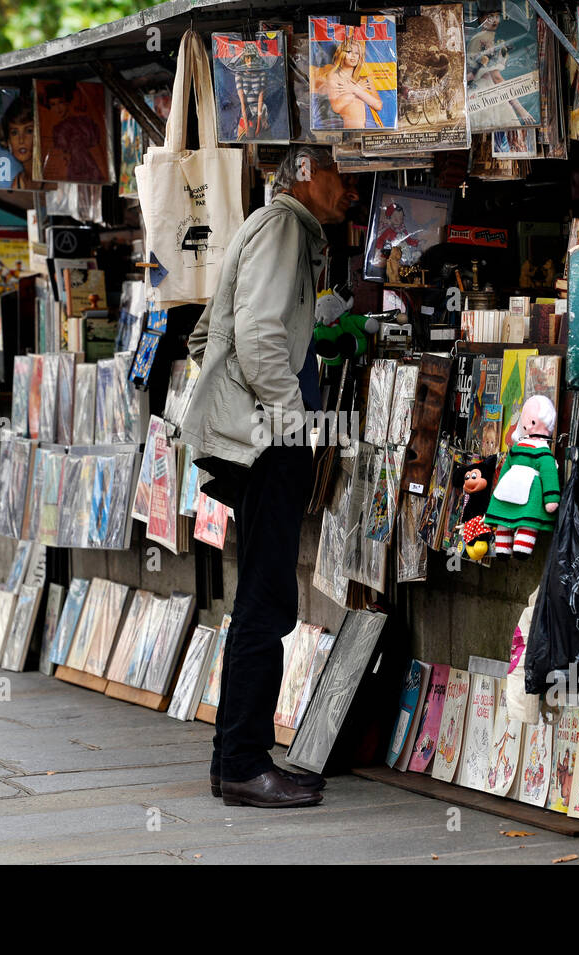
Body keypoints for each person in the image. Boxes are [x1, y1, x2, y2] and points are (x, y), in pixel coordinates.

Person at [182, 146, 358, 808]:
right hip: (268, 441)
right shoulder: (285, 226)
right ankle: (245, 764)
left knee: (260, 596)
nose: (354, 191)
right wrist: (293, 424)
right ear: (308, 172)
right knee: (266, 601)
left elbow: (209, 337)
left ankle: (234, 758)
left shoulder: (270, 228)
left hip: (250, 437)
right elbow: (257, 339)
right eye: (344, 175)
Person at [316, 33, 384, 129]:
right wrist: (354, 91)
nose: (353, 56)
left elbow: (378, 105)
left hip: (371, 127)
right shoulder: (334, 76)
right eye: (349, 52)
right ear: (342, 53)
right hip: (351, 130)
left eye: (357, 53)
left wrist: (356, 90)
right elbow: (336, 107)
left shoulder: (366, 80)